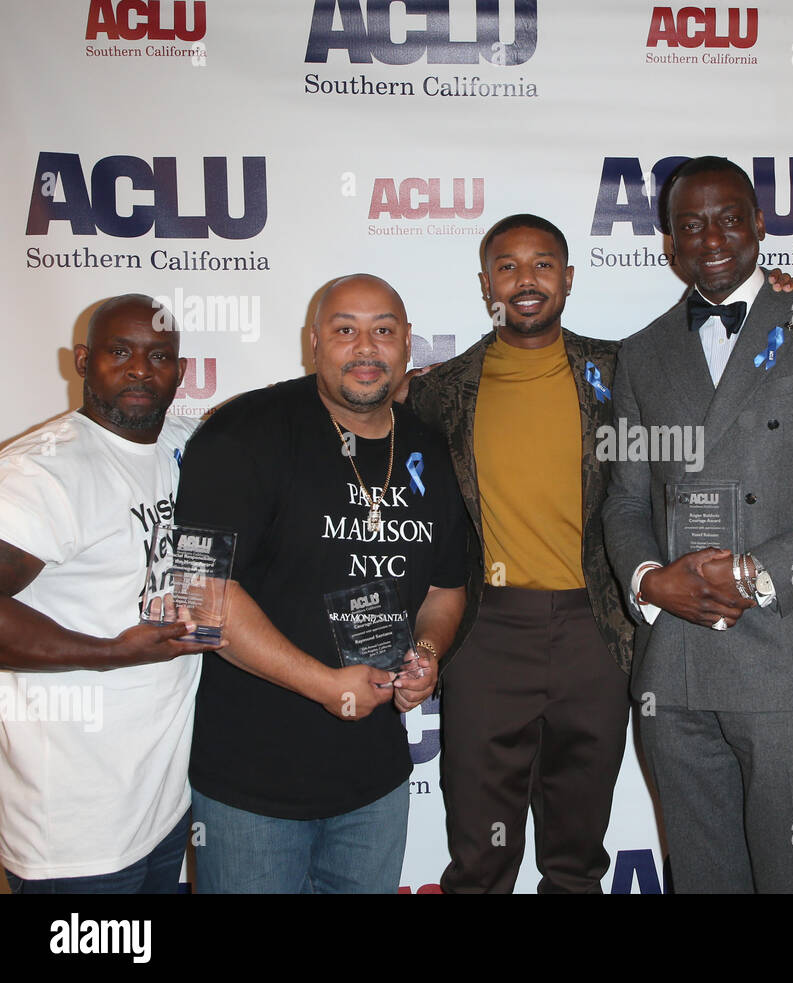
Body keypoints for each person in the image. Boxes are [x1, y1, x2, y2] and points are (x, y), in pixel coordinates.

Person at [602, 156, 793, 893]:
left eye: (730, 217)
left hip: (789, 660)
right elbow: (626, 502)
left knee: (792, 880)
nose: (712, 237)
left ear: (761, 225)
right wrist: (651, 580)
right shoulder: (639, 355)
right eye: (690, 224)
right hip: (673, 666)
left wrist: (753, 573)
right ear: (668, 243)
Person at [175, 274, 467, 893]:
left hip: (375, 782)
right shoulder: (244, 433)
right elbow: (201, 590)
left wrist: (428, 652)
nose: (366, 348)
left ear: (407, 343)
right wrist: (326, 686)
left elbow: (445, 588)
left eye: (383, 330)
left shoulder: (431, 451)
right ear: (314, 342)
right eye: (344, 330)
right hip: (252, 784)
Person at [404, 214, 633, 893]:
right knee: (480, 857)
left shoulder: (623, 370)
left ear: (567, 277)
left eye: (542, 264)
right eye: (508, 266)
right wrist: (245, 411)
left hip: (597, 629)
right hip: (486, 633)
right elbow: (350, 393)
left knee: (577, 858)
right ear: (485, 285)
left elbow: (718, 369)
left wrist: (779, 297)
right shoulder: (442, 390)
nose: (525, 279)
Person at [0, 293, 220, 893]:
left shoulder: (184, 442)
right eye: (119, 352)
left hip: (163, 807)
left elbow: (276, 422)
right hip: (73, 831)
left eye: (159, 356)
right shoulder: (42, 473)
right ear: (81, 360)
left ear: (180, 369)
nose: (140, 370)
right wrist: (111, 652)